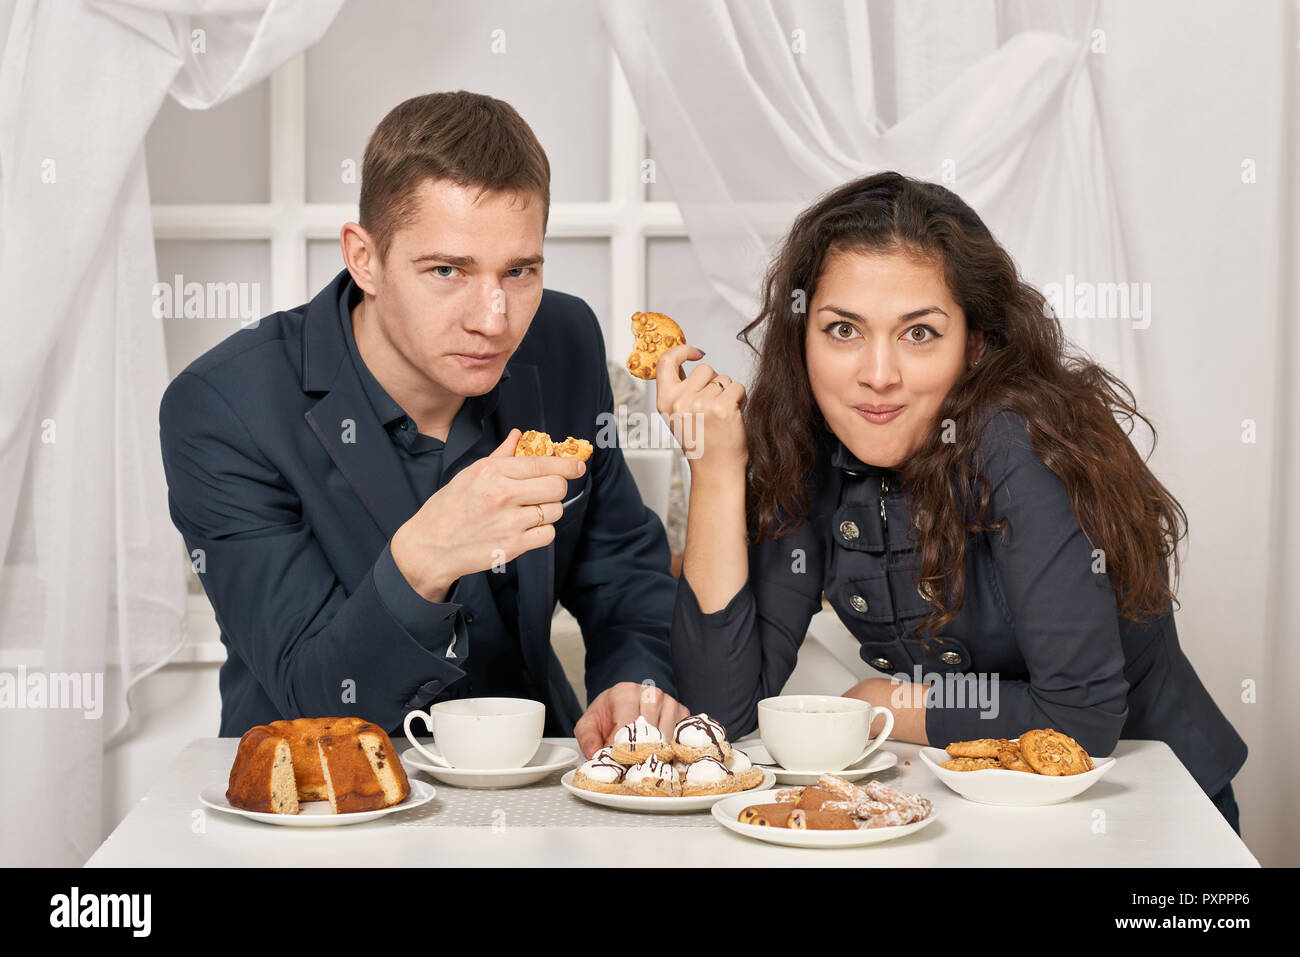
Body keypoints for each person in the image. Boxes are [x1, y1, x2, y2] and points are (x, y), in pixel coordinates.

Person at [660, 171, 1246, 834]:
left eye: (919, 334)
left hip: (1143, 810)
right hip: (982, 814)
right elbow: (723, 713)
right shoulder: (812, 442)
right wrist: (715, 470)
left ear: (975, 342)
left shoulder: (1013, 440)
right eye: (844, 329)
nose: (877, 374)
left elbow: (1079, 718)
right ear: (802, 339)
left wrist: (888, 701)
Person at [159, 91, 688, 757]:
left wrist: (632, 685)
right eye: (447, 271)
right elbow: (314, 688)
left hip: (530, 779)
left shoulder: (562, 339)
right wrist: (425, 558)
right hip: (324, 801)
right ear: (365, 258)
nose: (493, 319)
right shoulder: (223, 406)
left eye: (518, 271)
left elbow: (622, 574)